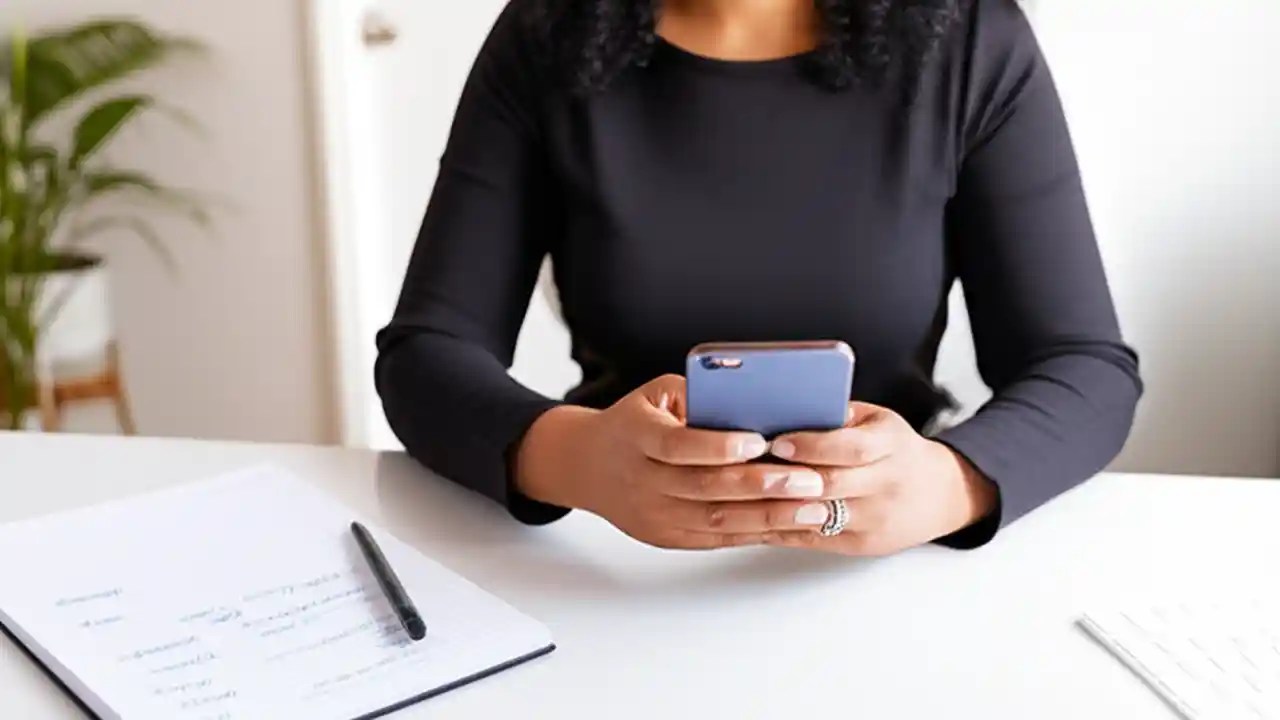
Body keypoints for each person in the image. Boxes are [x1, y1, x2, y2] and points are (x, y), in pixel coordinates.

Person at [375, 0, 1143, 555]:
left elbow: (1084, 368)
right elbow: (426, 356)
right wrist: (577, 461)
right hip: (612, 555)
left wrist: (947, 485)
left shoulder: (968, 37)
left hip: (891, 559)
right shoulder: (548, 35)